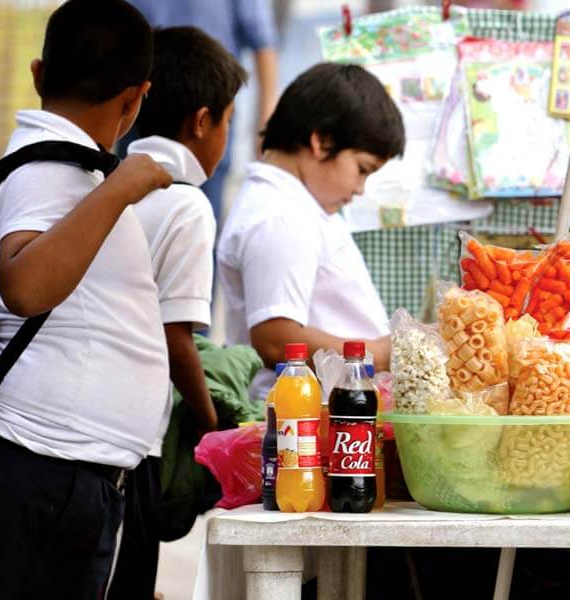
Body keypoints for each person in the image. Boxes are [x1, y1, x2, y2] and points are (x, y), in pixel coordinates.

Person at [0, 0, 172, 596]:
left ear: (39, 74)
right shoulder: (43, 173)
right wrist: (120, 190)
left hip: (66, 475)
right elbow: (27, 287)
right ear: (136, 98)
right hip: (37, 470)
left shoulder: (75, 174)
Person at [107, 26, 247, 600]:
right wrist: (213, 422)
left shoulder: (109, 181)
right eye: (229, 123)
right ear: (201, 120)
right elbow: (175, 336)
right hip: (128, 439)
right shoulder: (187, 205)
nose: (226, 139)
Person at [217, 62, 403, 398]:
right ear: (321, 141)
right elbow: (275, 339)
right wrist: (380, 354)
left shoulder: (299, 205)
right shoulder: (280, 217)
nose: (360, 188)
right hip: (299, 428)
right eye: (362, 169)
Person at [126, 0, 279, 226]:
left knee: (205, 204)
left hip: (209, 103)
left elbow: (263, 41)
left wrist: (267, 116)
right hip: (141, 108)